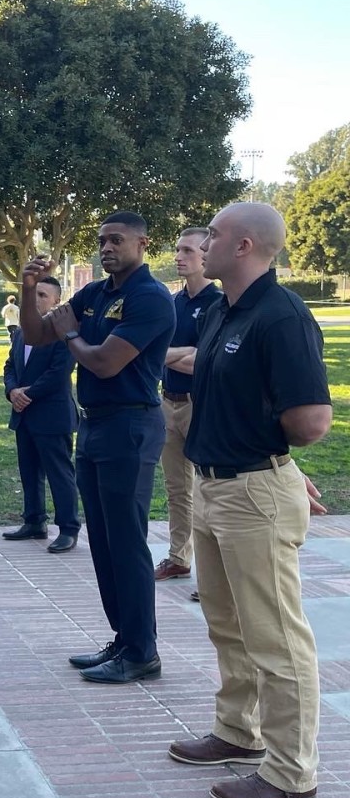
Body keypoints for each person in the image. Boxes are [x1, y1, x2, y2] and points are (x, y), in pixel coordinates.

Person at [168, 202, 331, 798]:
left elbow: (310, 420)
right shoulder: (220, 310)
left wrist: (277, 467)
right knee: (226, 623)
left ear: (243, 246)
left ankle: (292, 774)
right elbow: (231, 397)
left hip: (252, 494)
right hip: (215, 488)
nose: (200, 242)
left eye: (210, 234)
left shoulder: (281, 316)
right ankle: (239, 731)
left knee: (277, 638)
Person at [21, 211, 174, 684]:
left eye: (117, 240)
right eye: (102, 241)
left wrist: (70, 333)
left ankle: (142, 651)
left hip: (130, 426)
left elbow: (105, 363)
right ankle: (124, 639)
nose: (106, 248)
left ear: (142, 244)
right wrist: (30, 288)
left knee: (126, 542)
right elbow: (34, 333)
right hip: (93, 428)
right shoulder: (97, 293)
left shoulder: (149, 298)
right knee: (104, 542)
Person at [154, 228, 223, 586]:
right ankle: (179, 558)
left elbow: (205, 362)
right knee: (177, 489)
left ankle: (214, 577)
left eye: (186, 250)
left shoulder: (218, 304)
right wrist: (183, 355)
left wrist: (165, 356)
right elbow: (176, 355)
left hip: (203, 406)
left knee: (208, 489)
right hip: (168, 403)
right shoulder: (172, 303)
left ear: (205, 254)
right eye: (176, 249)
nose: (178, 256)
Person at [1, 276, 80, 553]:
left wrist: (27, 394)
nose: (36, 299)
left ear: (57, 300)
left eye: (43, 295)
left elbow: (59, 373)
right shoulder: (22, 331)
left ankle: (68, 528)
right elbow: (10, 366)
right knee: (29, 472)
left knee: (60, 474)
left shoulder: (63, 331)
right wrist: (12, 391)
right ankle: (34, 521)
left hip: (51, 415)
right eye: (33, 294)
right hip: (24, 416)